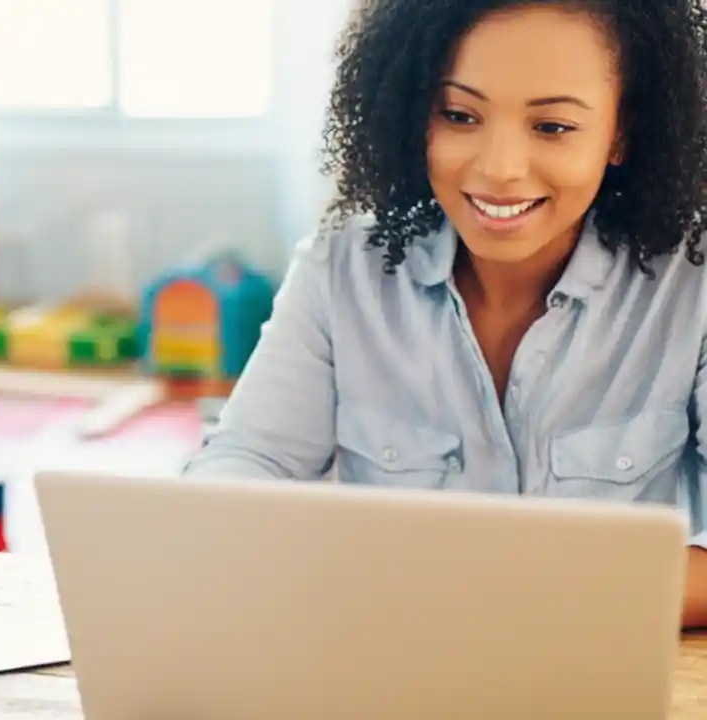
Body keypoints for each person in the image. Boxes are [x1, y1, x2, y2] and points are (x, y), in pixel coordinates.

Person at [184, 0, 707, 628]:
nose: (499, 169)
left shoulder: (692, 282)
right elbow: (247, 462)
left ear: (621, 131)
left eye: (553, 127)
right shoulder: (342, 267)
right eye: (459, 115)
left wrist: (501, 602)